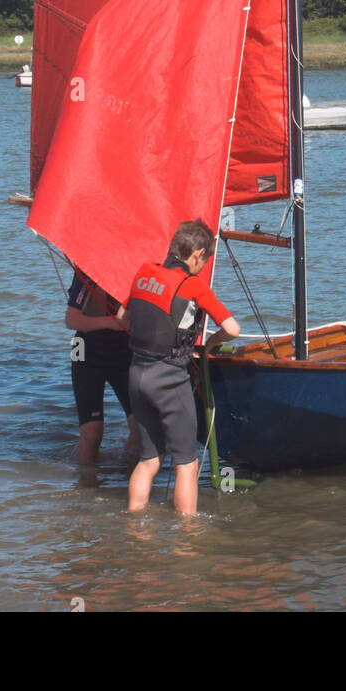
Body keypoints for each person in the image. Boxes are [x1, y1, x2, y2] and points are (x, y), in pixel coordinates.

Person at [119, 218, 240, 516]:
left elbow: (123, 315)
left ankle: (135, 525)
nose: (204, 265)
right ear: (198, 253)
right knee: (187, 462)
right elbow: (233, 328)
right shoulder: (192, 286)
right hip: (169, 378)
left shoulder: (145, 272)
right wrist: (211, 342)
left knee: (149, 460)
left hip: (137, 372)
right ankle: (187, 536)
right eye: (206, 259)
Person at [65, 267, 137, 465]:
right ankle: (86, 487)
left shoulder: (137, 269)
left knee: (140, 425)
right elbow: (71, 320)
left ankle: (128, 478)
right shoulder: (88, 269)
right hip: (85, 351)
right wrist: (111, 322)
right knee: (93, 430)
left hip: (123, 350)